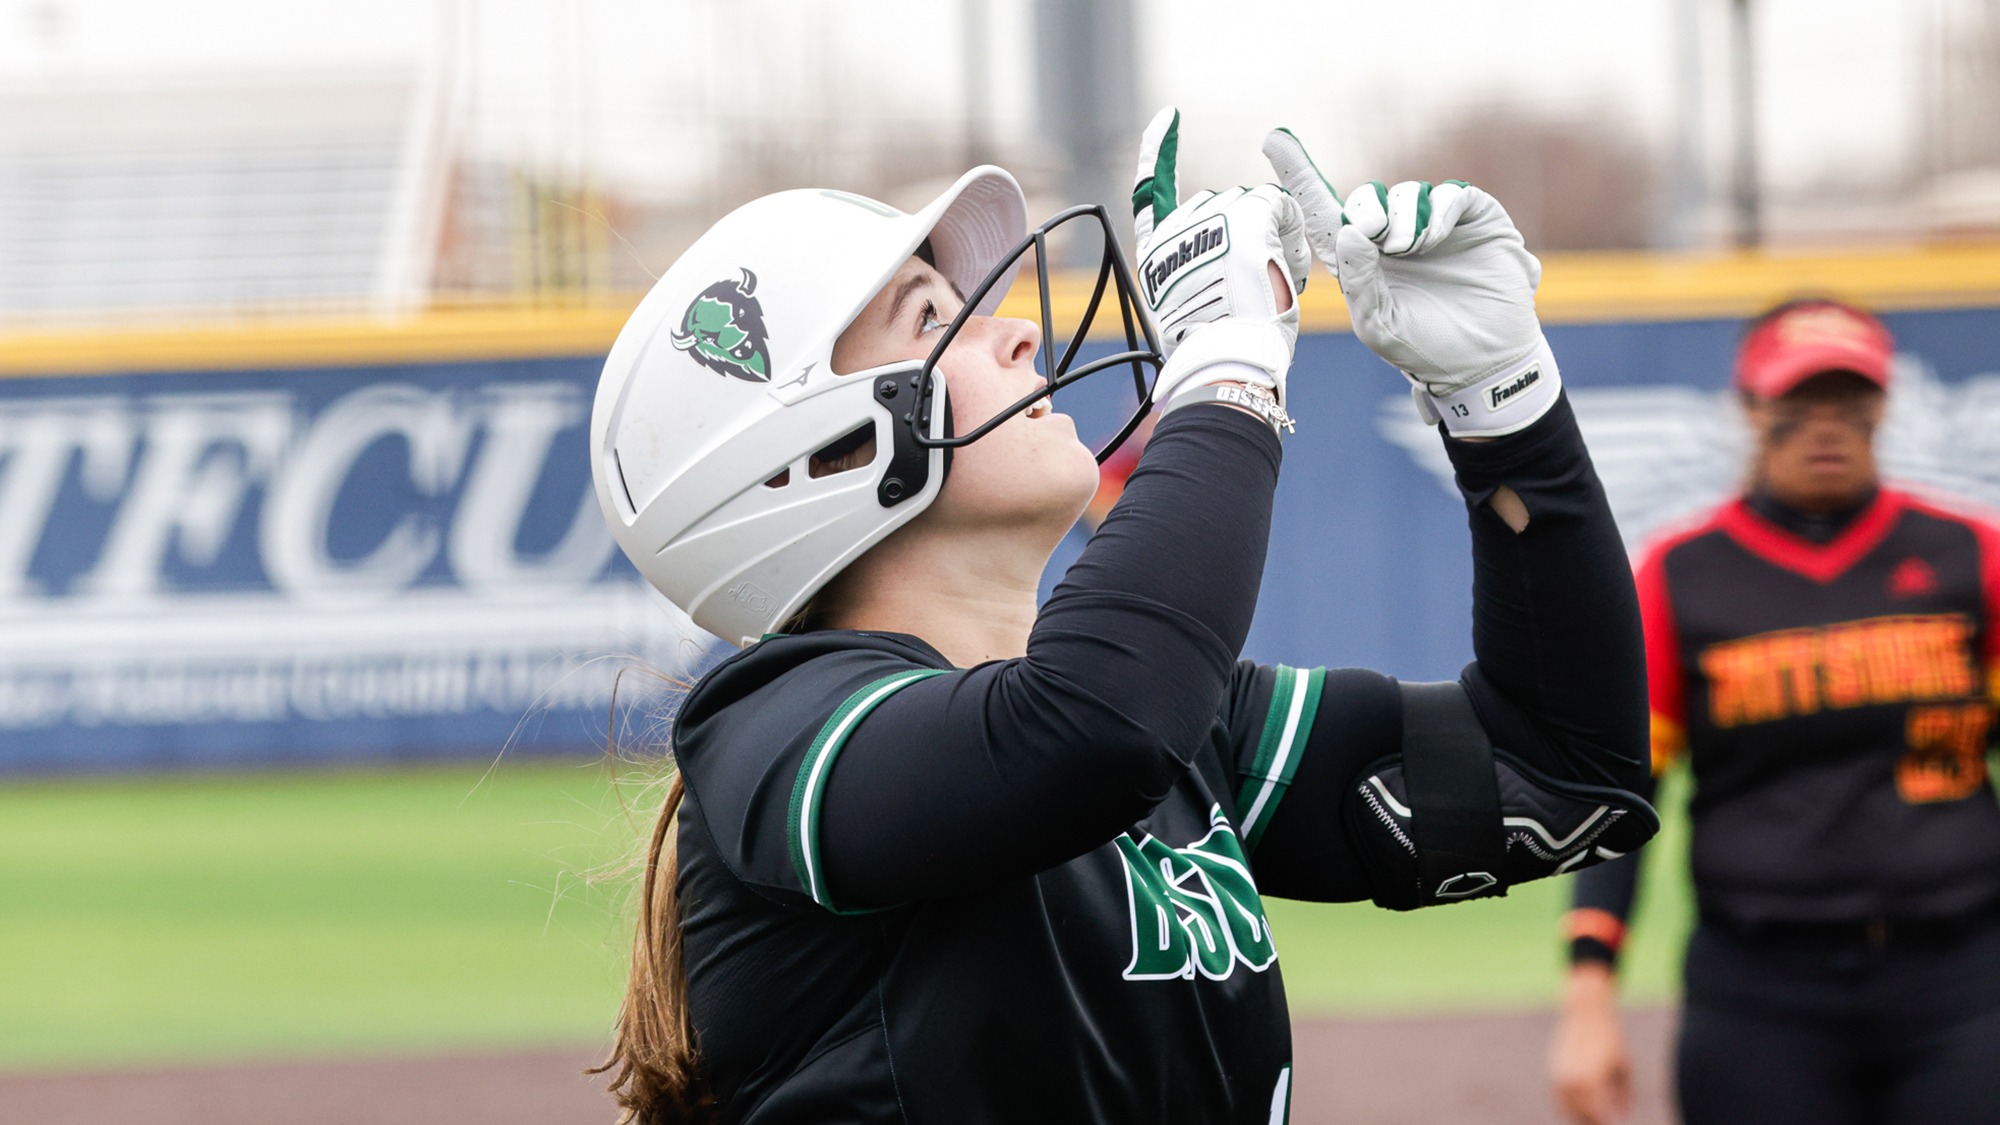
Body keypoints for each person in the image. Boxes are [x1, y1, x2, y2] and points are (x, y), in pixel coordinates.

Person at [587, 106, 1656, 1125]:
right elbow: (1093, 723)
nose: (1012, 331)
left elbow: (1563, 767)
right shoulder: (770, 727)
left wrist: (1500, 401)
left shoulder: (1169, 732)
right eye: (933, 318)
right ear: (815, 458)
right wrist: (1225, 372)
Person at [1548, 298, 2000, 1125]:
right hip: (1759, 992)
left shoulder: (1969, 554)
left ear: (1883, 407)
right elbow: (1621, 803)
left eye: (1850, 400)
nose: (1825, 425)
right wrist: (1588, 994)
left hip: (1963, 979)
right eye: (1799, 402)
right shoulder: (1681, 575)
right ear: (1751, 409)